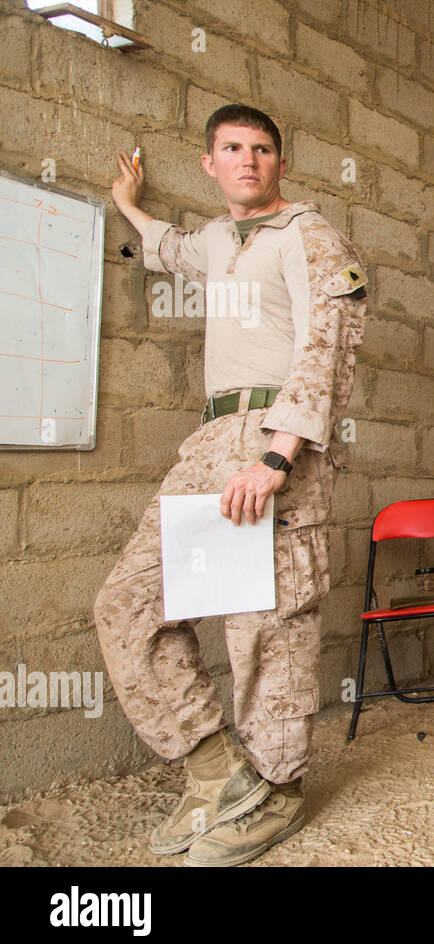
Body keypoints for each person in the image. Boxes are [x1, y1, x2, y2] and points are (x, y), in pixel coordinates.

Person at [94, 104, 367, 867]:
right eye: (232, 149)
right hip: (210, 440)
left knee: (267, 625)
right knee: (128, 602)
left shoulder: (309, 233)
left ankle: (276, 792)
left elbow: (330, 342)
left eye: (263, 149)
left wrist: (279, 459)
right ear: (210, 163)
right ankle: (219, 771)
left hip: (276, 438)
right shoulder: (218, 240)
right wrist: (125, 204)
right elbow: (169, 248)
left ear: (280, 163)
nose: (249, 160)